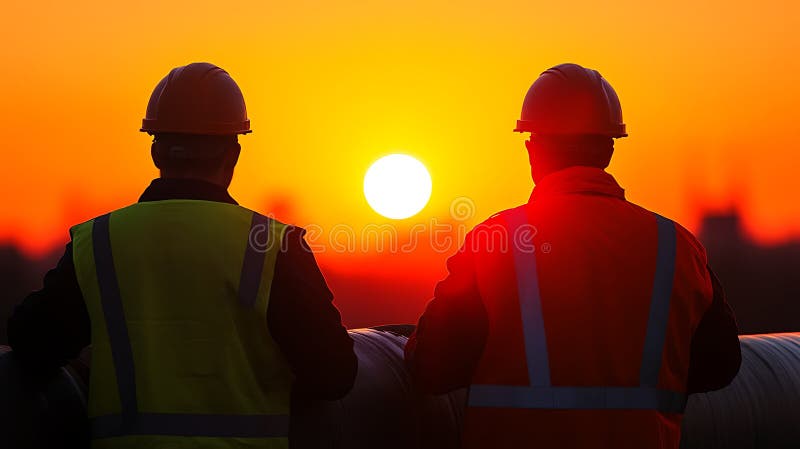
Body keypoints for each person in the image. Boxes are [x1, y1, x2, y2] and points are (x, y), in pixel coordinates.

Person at [8, 62, 357, 448]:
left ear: (156, 151)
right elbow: (334, 375)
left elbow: (31, 343)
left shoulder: (100, 241)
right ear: (234, 154)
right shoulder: (274, 245)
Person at [405, 63, 741, 449]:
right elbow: (721, 363)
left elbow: (430, 366)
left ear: (533, 150)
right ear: (610, 149)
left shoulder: (496, 242)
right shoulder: (677, 246)